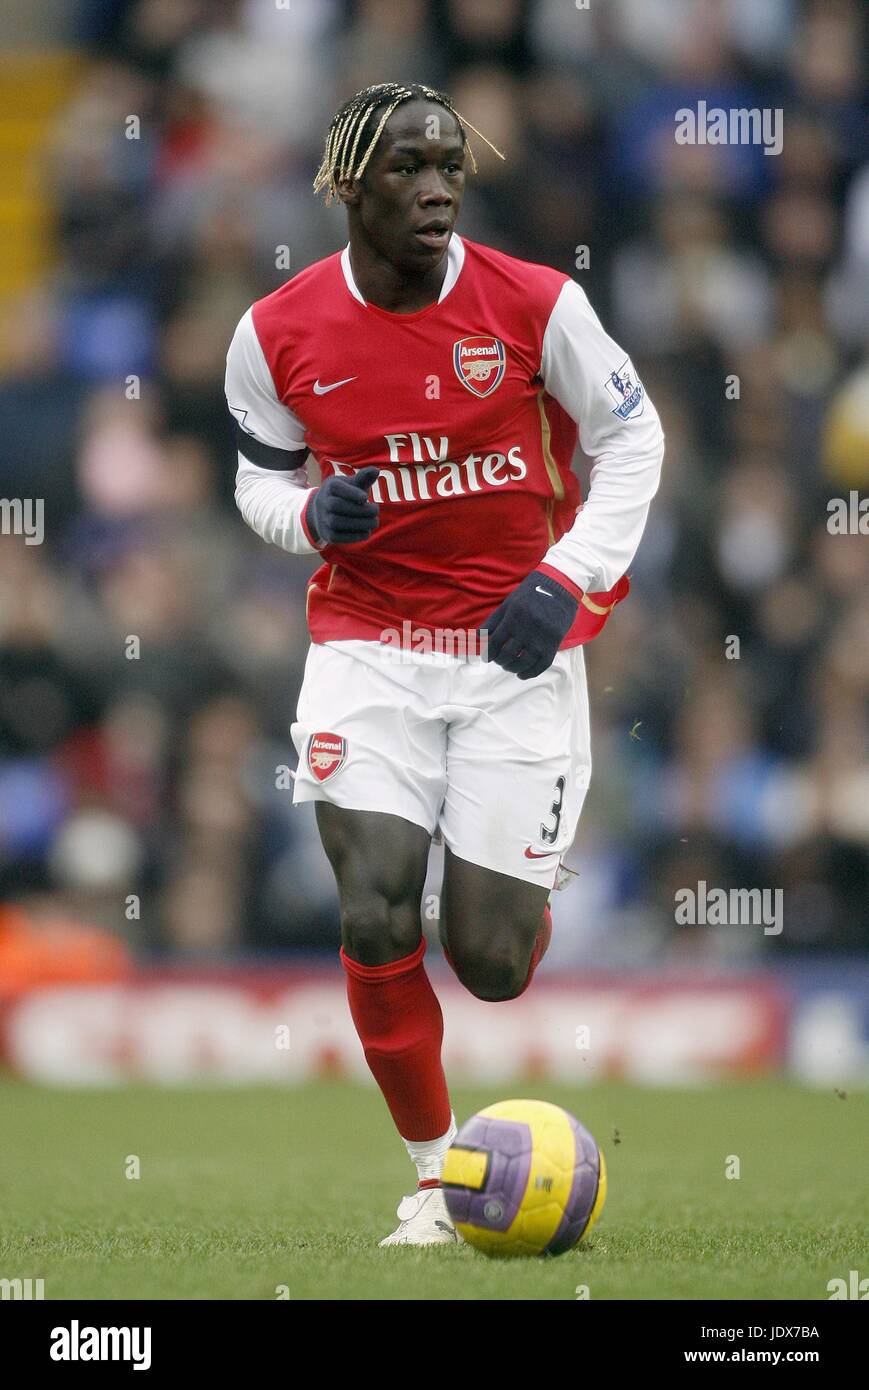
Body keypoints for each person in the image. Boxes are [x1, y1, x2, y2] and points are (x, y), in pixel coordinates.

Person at [225, 82, 664, 1245]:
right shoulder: (274, 331)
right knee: (373, 910)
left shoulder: (534, 303)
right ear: (345, 186)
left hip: (513, 651)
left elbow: (633, 438)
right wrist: (308, 520)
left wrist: (567, 578)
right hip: (366, 650)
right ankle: (432, 1174)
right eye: (409, 170)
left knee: (492, 963)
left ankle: (515, 888)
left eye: (449, 169)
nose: (436, 189)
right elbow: (256, 478)